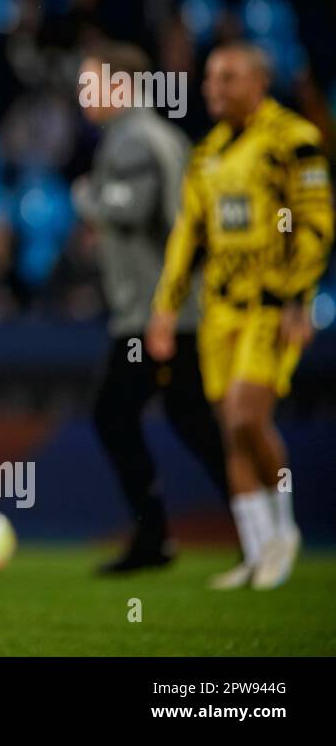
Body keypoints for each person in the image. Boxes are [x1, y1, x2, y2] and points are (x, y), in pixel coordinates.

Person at [147, 41, 332, 590]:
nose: (213, 89)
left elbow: (317, 222)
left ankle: (284, 533)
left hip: (271, 306)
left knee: (248, 416)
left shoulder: (293, 141)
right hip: (219, 311)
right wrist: (165, 308)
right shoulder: (205, 154)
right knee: (230, 431)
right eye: (209, 79)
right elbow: (188, 236)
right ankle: (255, 553)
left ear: (259, 82)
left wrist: (300, 296)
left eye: (226, 78)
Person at [72, 42, 229, 574]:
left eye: (89, 85)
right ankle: (254, 526)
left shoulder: (134, 139)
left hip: (155, 314)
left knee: (115, 414)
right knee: (191, 421)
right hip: (172, 307)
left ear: (120, 85)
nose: (82, 97)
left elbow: (129, 208)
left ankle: (157, 537)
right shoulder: (159, 134)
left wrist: (86, 198)